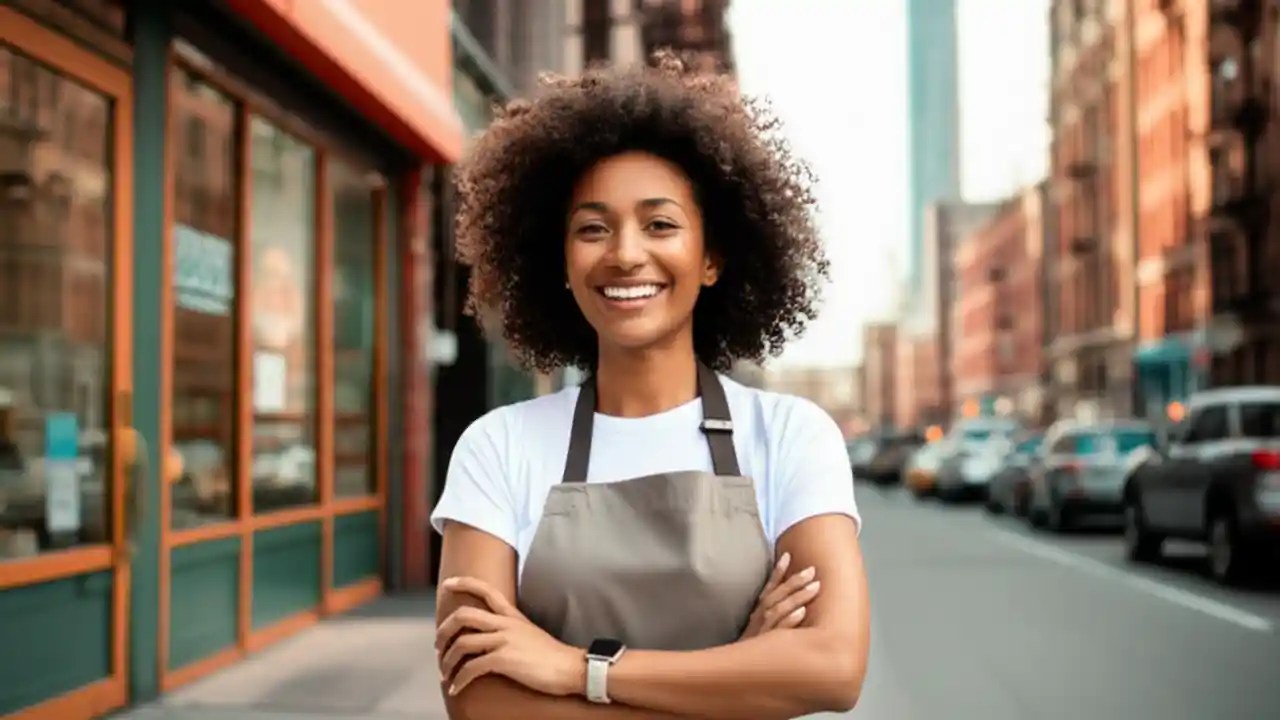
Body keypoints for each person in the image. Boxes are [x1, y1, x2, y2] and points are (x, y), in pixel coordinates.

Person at [430, 52, 869, 719]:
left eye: (660, 224)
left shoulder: (789, 436)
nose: (626, 253)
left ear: (712, 258)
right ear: (561, 264)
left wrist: (575, 669)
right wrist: (739, 683)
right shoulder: (498, 447)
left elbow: (833, 668)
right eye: (592, 229)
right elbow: (480, 699)